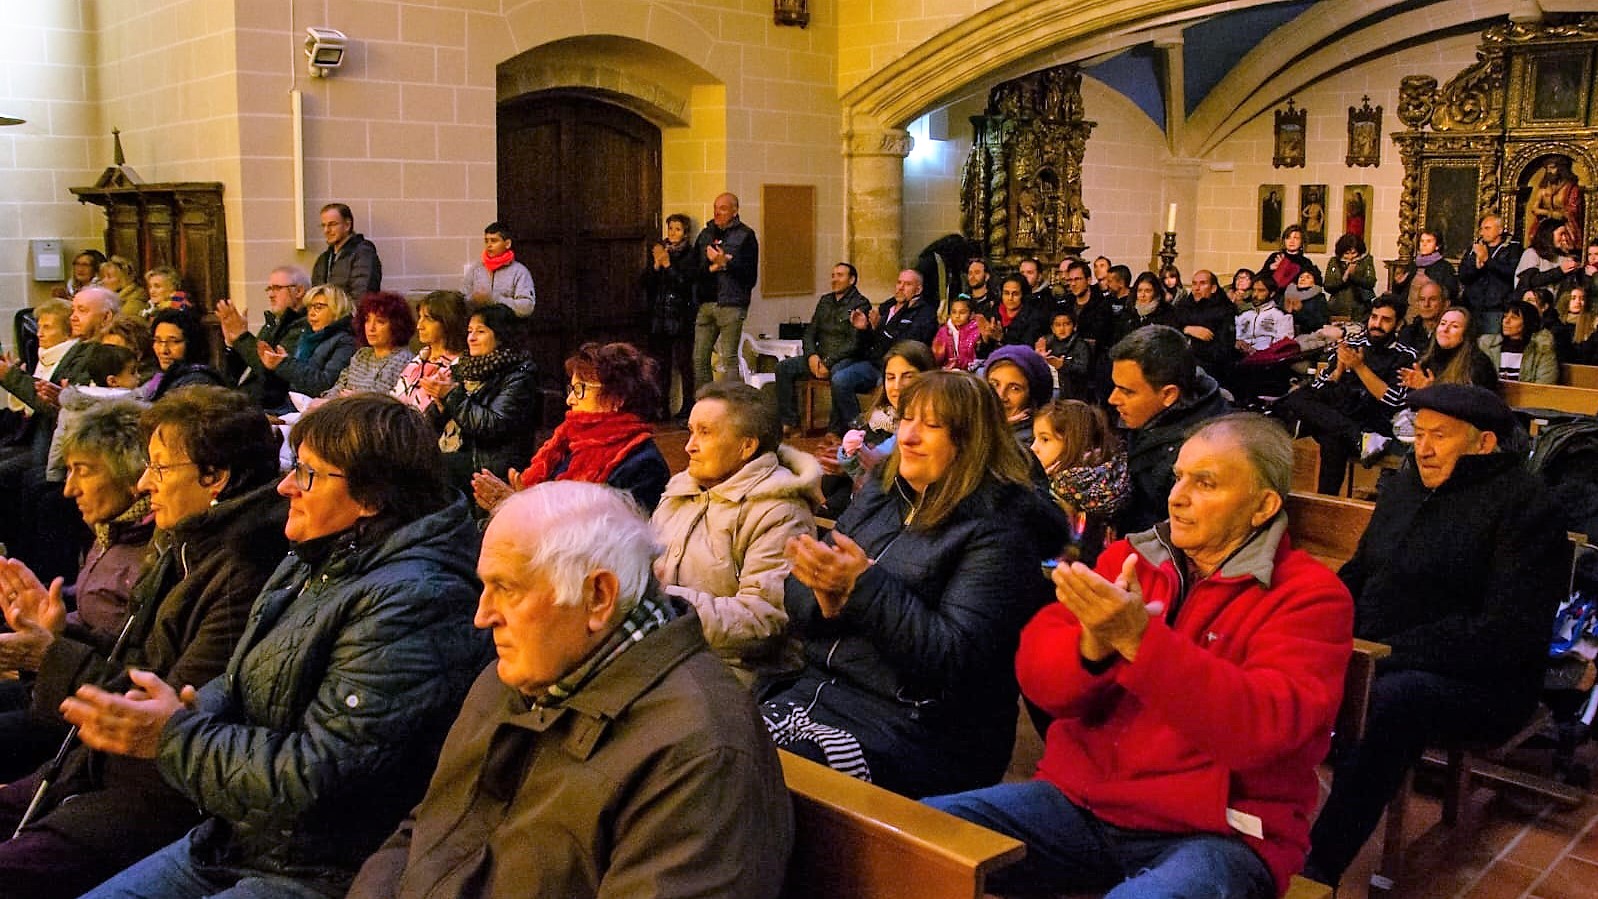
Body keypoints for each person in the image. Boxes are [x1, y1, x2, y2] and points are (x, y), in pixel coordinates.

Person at [71, 394, 488, 899]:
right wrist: (173, 710)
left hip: (320, 866)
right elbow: (239, 680)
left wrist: (174, 736)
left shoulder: (417, 598)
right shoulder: (315, 556)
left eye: (308, 474)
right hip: (240, 837)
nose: (286, 486)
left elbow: (322, 773)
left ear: (373, 496)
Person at [928, 414, 1354, 899]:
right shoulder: (1132, 560)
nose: (1177, 496)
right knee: (919, 839)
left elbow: (1263, 729)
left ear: (1263, 507)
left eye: (1206, 483)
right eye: (1179, 477)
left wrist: (1140, 642)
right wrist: (1092, 646)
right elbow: (1038, 679)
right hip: (1081, 803)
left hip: (1219, 834)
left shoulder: (1311, 597)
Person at [346, 481, 792, 899]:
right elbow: (425, 830)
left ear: (598, 595)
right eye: (485, 586)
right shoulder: (518, 675)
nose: (482, 616)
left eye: (507, 589)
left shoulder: (701, 752)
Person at [0, 387, 288, 899]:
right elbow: (136, 657)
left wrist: (50, 654)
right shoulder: (189, 545)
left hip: (154, 796)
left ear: (214, 476)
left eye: (159, 468)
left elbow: (163, 711)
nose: (142, 484)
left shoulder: (241, 570)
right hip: (94, 768)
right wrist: (57, 637)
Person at [1303, 385, 1566, 888]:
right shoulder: (1405, 486)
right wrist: (1314, 617)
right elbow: (1361, 571)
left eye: (1439, 436)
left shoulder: (1527, 508)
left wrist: (1386, 656)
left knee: (1395, 700)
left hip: (1484, 681)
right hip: (1382, 653)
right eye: (1418, 433)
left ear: (1483, 443)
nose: (1422, 447)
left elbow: (1505, 632)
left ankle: (1318, 867)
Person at [763, 370, 1068, 797]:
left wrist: (861, 588)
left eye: (932, 425)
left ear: (971, 441)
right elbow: (797, 596)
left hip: (923, 730)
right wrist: (822, 592)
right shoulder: (884, 493)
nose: (908, 436)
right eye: (906, 419)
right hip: (821, 692)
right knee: (720, 748)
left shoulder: (1000, 529)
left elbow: (952, 658)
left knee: (768, 782)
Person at [0, 399, 152, 782]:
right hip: (60, 682)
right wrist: (49, 617)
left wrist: (51, 644)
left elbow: (132, 665)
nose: (69, 489)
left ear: (131, 472)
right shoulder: (113, 531)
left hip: (92, 713)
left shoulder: (156, 552)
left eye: (82, 471)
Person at [654, 381, 821, 687]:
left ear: (747, 446)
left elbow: (762, 620)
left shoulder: (779, 511)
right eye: (691, 431)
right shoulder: (682, 490)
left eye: (705, 432)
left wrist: (664, 604)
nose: (689, 445)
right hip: (672, 657)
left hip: (736, 677)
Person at [470, 340, 668, 515]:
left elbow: (604, 538)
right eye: (571, 389)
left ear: (617, 398)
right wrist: (517, 505)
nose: (570, 399)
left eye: (580, 390)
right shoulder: (566, 442)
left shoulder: (643, 464)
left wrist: (521, 509)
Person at [1272, 295, 1417, 494]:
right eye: (1374, 317)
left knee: (1332, 437)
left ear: (1398, 324)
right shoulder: (1353, 343)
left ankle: (1324, 500)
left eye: (1385, 320)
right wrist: (1338, 370)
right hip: (1343, 411)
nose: (1377, 324)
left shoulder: (1405, 355)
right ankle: (1359, 437)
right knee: (1298, 397)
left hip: (1374, 417)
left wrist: (1358, 367)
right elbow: (1321, 386)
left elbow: (1394, 400)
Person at [1107, 325, 1230, 534]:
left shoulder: (1203, 454)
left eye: (1127, 391)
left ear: (1168, 395)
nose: (1112, 399)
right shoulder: (1153, 416)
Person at [422, 303, 539, 499]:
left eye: (481, 331)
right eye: (469, 331)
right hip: (460, 452)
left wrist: (451, 396)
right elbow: (433, 425)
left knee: (427, 470)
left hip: (489, 461)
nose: (471, 338)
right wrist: (440, 405)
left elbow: (492, 425)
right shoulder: (464, 368)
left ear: (501, 336)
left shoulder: (518, 375)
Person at [821, 340, 935, 516]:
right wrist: (848, 455)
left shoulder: (929, 427)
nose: (897, 386)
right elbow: (861, 467)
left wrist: (865, 461)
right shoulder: (878, 418)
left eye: (908, 376)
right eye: (891, 377)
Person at [775, 262, 872, 437]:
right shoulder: (825, 301)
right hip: (819, 356)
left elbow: (854, 343)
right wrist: (812, 355)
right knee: (783, 367)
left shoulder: (861, 303)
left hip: (845, 358)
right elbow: (810, 333)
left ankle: (835, 430)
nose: (834, 279)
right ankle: (790, 422)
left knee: (838, 375)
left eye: (840, 275)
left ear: (852, 280)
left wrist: (827, 362)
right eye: (833, 275)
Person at [1028, 398, 1128, 566]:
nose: (1033, 448)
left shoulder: (1063, 488)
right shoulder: (1111, 477)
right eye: (1035, 438)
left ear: (1073, 442)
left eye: (1045, 439)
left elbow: (1055, 548)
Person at [215, 265, 311, 414]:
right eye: (269, 289)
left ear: (299, 291)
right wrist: (232, 344)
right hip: (247, 402)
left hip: (273, 408)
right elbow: (234, 375)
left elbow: (270, 375)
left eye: (277, 288)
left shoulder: (304, 327)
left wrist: (242, 337)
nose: (271, 295)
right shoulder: (272, 324)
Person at [691, 192, 758, 390]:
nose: (717, 213)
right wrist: (711, 268)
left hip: (731, 304)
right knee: (699, 358)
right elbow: (694, 269)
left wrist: (726, 264)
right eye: (715, 208)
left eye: (722, 208)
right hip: (706, 303)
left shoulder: (745, 235)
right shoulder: (706, 234)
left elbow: (750, 276)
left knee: (728, 358)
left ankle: (730, 408)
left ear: (735, 211)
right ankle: (704, 405)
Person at [257, 283, 357, 399]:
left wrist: (284, 364)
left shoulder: (345, 341)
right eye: (309, 308)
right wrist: (274, 365)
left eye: (318, 307)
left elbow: (325, 384)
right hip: (291, 403)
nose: (311, 313)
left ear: (337, 309)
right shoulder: (308, 335)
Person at [644, 213, 697, 417]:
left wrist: (668, 266)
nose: (673, 233)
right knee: (661, 364)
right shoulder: (660, 252)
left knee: (684, 363)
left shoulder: (690, 255)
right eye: (670, 229)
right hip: (660, 316)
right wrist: (656, 267)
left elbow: (685, 284)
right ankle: (661, 405)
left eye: (677, 229)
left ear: (685, 233)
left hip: (680, 316)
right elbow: (645, 283)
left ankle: (687, 405)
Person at [323, 290, 417, 397]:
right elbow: (340, 385)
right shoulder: (362, 354)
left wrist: (355, 399)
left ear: (397, 326)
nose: (371, 328)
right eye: (367, 320)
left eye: (380, 321)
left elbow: (383, 400)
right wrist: (324, 402)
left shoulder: (403, 360)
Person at [393, 289, 469, 414]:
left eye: (428, 318)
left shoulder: (459, 366)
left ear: (447, 322)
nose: (419, 326)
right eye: (420, 317)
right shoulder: (420, 358)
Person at [1399, 307, 1498, 392]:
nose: (1445, 329)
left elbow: (1473, 407)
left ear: (1466, 334)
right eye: (1442, 324)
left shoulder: (1478, 364)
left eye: (1454, 326)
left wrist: (1430, 391)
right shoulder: (1427, 359)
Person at [856, 268, 939, 365]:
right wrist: (863, 329)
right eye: (899, 282)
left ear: (918, 290)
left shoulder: (925, 313)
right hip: (874, 361)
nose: (901, 287)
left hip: (898, 365)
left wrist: (880, 328)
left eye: (908, 284)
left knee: (842, 377)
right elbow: (871, 345)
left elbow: (905, 346)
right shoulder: (886, 308)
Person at [1457, 213, 1521, 334]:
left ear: (1500, 230)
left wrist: (1488, 261)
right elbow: (1463, 276)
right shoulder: (1474, 249)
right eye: (1481, 229)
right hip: (1472, 308)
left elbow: (1512, 273)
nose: (1482, 233)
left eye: (1487, 228)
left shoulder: (1513, 249)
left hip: (1496, 309)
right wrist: (1477, 267)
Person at [142, 308, 224, 402]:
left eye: (174, 341)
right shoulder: (160, 376)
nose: (163, 350)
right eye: (158, 341)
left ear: (192, 344)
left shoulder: (197, 383)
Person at [1173, 268, 1237, 384]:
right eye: (1194, 284)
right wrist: (1187, 329)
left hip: (1211, 368)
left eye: (1202, 284)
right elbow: (1170, 328)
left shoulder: (1225, 310)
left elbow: (1224, 348)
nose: (1196, 288)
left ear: (1213, 288)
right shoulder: (1183, 307)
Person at [986, 343, 1053, 449]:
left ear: (1032, 397)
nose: (1000, 396)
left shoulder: (1034, 445)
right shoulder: (971, 425)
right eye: (994, 384)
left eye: (1015, 388)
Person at [462, 221, 535, 315]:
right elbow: (463, 301)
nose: (489, 245)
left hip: (508, 326)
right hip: (479, 325)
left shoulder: (519, 271)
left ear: (507, 244)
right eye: (486, 241)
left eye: (494, 241)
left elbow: (526, 307)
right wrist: (474, 299)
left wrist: (494, 299)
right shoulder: (475, 269)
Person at [311, 202, 382, 298]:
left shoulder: (363, 253)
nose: (326, 230)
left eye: (332, 224)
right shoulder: (323, 258)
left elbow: (362, 295)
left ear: (347, 225)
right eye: (323, 225)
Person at [1479, 299, 1556, 383]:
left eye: (1514, 318)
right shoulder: (1486, 345)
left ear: (1527, 322)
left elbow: (1543, 385)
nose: (1506, 321)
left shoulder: (1542, 350)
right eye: (1505, 316)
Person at [977, 274, 1051, 354]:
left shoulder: (1034, 317)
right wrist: (985, 339)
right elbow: (981, 355)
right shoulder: (993, 313)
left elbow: (1027, 350)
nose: (1010, 298)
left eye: (1015, 294)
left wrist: (1002, 338)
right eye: (1006, 293)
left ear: (1023, 295)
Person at [1036, 307, 1094, 401]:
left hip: (1070, 391)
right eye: (1058, 325)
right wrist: (1037, 358)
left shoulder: (1081, 345)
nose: (1062, 329)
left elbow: (1083, 369)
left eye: (1066, 324)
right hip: (1049, 386)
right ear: (1052, 328)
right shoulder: (1046, 343)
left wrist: (1063, 365)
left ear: (1074, 326)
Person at [1393, 230, 1459, 304]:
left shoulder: (1445, 267)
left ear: (1437, 246)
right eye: (1422, 241)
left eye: (1429, 241)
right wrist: (1398, 284)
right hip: (1409, 310)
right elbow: (1399, 293)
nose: (1424, 244)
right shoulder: (1413, 265)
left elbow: (1451, 293)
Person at [1517, 218, 1580, 294]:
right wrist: (1560, 271)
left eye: (1565, 234)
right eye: (1561, 234)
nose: (1564, 238)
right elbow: (1530, 281)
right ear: (1549, 234)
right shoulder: (1532, 253)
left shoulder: (1562, 257)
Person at [1112, 272, 1178, 343]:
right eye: (1139, 291)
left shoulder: (1167, 312)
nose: (1142, 295)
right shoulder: (1129, 311)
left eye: (1148, 291)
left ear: (1156, 292)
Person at [1325, 233, 1377, 321]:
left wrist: (1354, 276)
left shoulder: (1366, 261)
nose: (1350, 257)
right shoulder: (1334, 262)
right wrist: (1343, 278)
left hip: (1361, 309)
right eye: (1347, 253)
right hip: (1338, 308)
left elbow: (1371, 282)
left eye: (1353, 253)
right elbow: (1328, 285)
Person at [1260, 225, 1321, 292]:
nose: (1291, 241)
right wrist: (1270, 269)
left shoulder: (1305, 262)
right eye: (1288, 238)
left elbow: (1312, 284)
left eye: (1296, 238)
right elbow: (1259, 278)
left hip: (1293, 297)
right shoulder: (1275, 257)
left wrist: (1284, 267)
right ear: (1284, 241)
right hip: (1272, 296)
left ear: (1302, 242)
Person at [1395, 278, 1449, 351]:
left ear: (1446, 304)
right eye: (1422, 299)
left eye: (1432, 299)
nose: (1426, 304)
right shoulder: (1407, 333)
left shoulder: (1450, 333)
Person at [933, 296, 981, 370]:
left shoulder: (977, 330)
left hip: (971, 370)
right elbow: (937, 357)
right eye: (954, 312)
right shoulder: (943, 331)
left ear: (971, 315)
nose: (957, 316)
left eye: (962, 312)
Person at [1283, 268, 1331, 335]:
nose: (1302, 279)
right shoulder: (1288, 295)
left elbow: (1320, 323)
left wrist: (1300, 311)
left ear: (1314, 282)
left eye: (1308, 277)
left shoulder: (1319, 298)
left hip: (1309, 335)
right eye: (1301, 277)